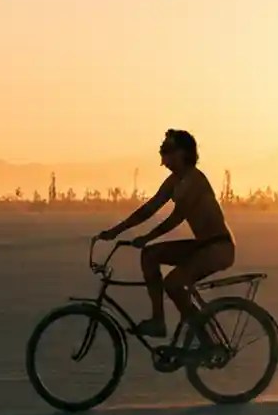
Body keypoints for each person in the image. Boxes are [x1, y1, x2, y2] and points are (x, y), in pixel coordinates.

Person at [97, 129, 234, 338]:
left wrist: (147, 237)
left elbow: (177, 217)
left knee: (173, 283)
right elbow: (149, 209)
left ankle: (204, 339)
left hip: (217, 247)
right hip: (203, 246)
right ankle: (158, 320)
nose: (165, 161)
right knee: (150, 255)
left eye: (169, 154)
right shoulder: (175, 181)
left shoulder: (194, 180)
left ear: (183, 153)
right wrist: (115, 231)